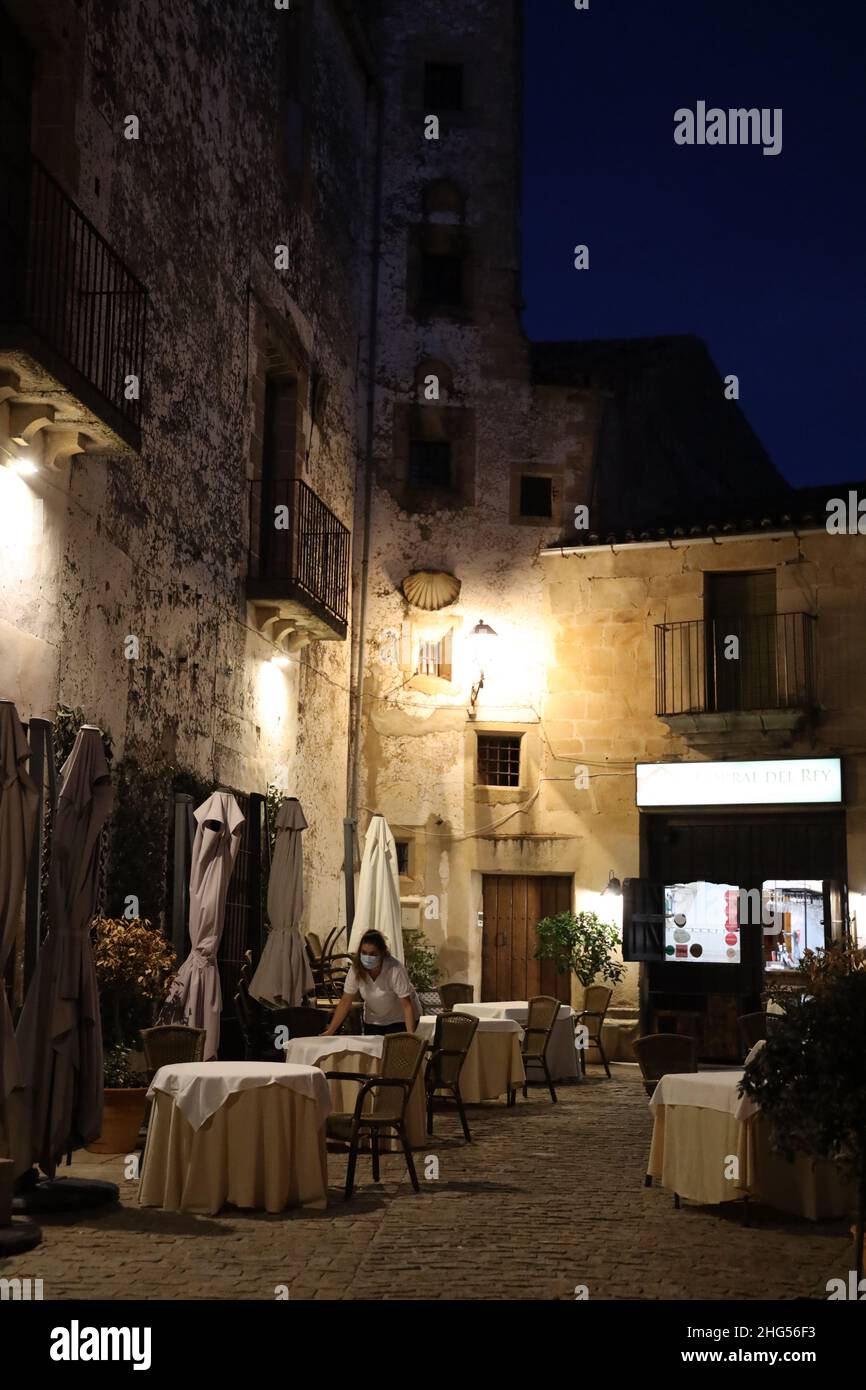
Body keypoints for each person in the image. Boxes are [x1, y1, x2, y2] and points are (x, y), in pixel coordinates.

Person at [323, 930, 420, 1036]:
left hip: (399, 1018)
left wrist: (411, 1036)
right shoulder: (356, 969)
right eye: (364, 953)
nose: (368, 957)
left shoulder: (395, 969)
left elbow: (407, 1005)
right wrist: (330, 1031)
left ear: (382, 953)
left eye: (373, 954)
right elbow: (346, 1001)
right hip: (374, 1019)